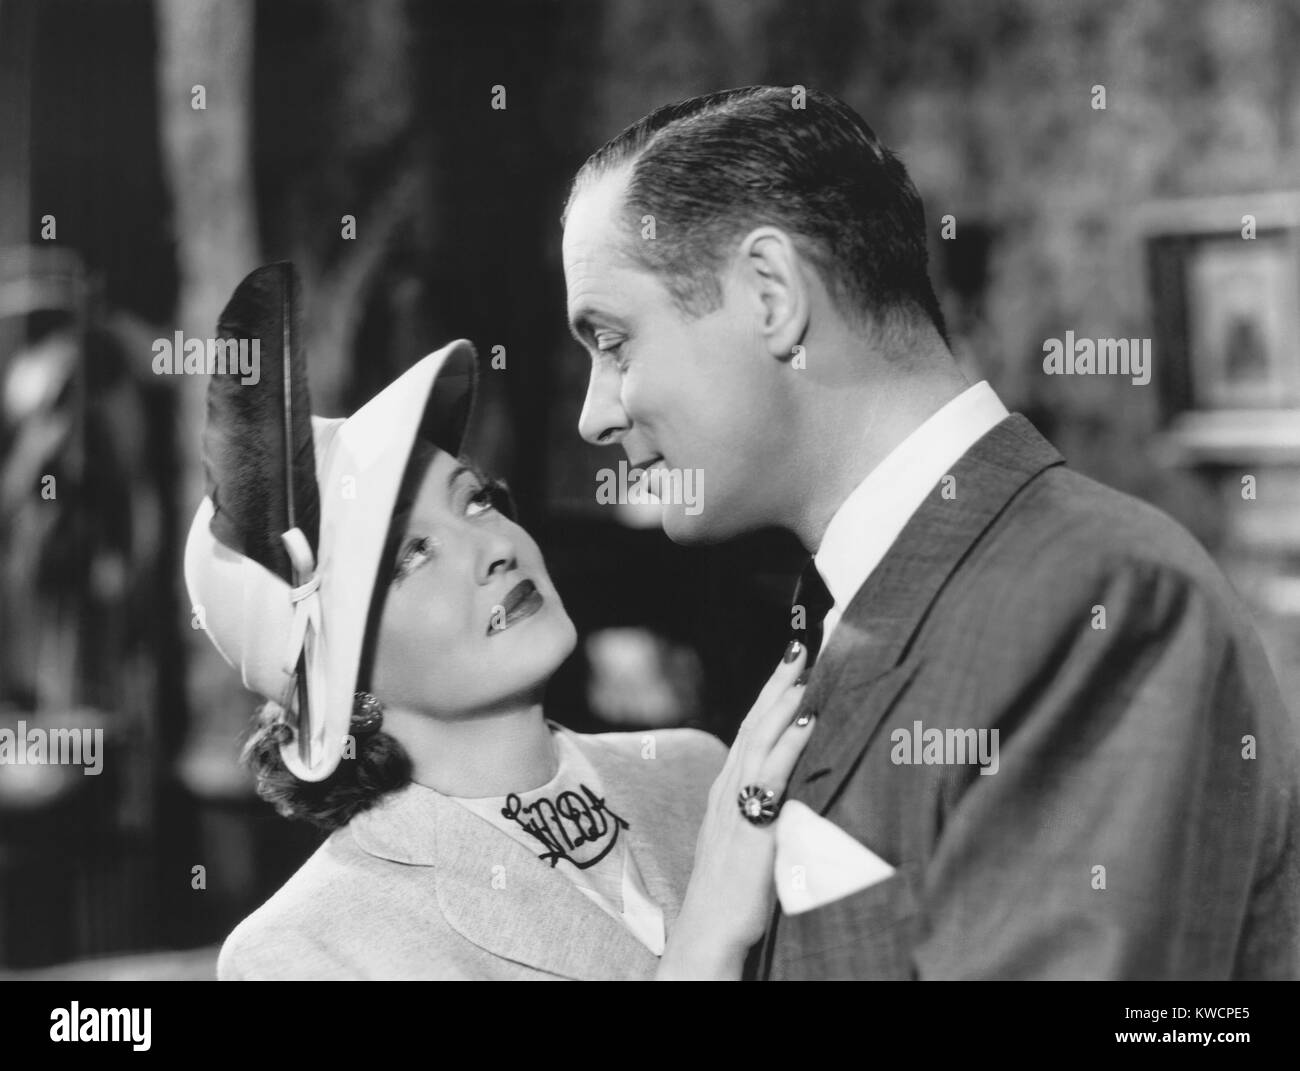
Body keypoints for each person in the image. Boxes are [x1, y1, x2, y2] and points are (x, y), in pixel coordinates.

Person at [561, 86, 1300, 979]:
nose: (594, 415)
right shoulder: (855, 608)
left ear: (770, 296)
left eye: (613, 341)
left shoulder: (1093, 601)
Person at [184, 263, 812, 980]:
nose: (492, 549)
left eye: (475, 500)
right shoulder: (308, 949)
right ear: (332, 683)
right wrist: (706, 943)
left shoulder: (698, 773)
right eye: (411, 554)